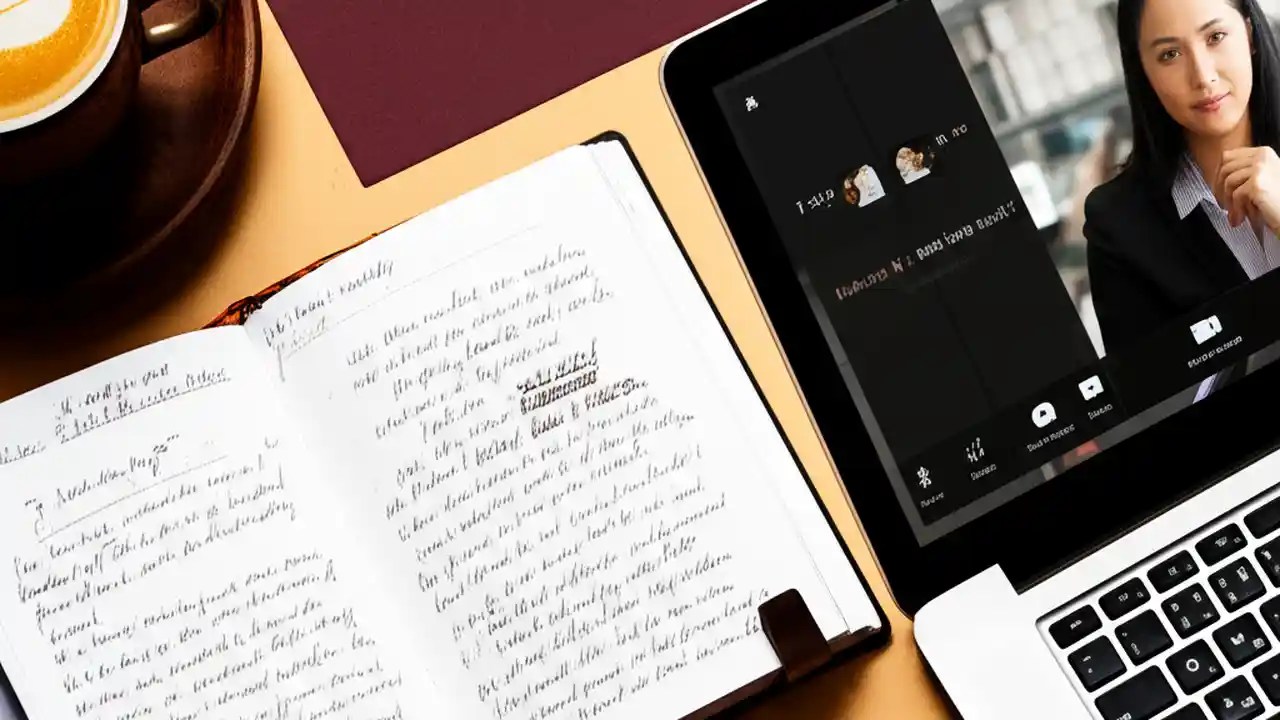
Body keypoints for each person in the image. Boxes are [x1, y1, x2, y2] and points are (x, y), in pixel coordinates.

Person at [1084, 0, 1280, 354]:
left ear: (1249, 33)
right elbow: (1154, 396)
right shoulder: (1119, 226)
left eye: (1216, 36)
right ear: (1143, 71)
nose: (1203, 76)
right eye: (1170, 54)